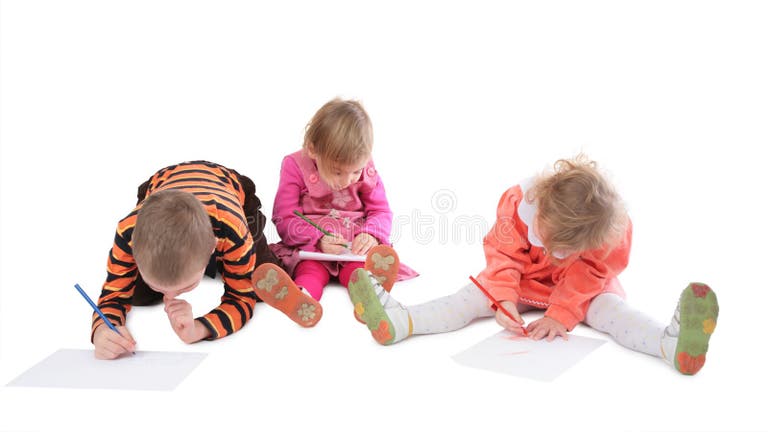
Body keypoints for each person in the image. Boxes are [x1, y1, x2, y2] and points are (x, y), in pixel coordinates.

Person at [350, 155, 719, 375]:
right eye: (552, 242)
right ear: (541, 207)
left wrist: (560, 314)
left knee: (613, 312)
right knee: (467, 299)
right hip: (523, 279)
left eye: (568, 249)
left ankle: (668, 345)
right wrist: (505, 301)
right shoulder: (519, 205)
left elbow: (590, 272)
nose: (557, 253)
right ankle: (402, 321)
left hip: (581, 289)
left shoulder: (606, 229)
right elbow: (504, 255)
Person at [92, 160, 321, 360]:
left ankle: (280, 256)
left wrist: (199, 329)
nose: (170, 297)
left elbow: (240, 300)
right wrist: (103, 329)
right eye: (160, 287)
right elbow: (113, 295)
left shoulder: (233, 229)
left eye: (186, 286)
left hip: (230, 193)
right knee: (137, 295)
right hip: (163, 182)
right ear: (133, 250)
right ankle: (222, 268)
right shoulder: (128, 231)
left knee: (256, 282)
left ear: (213, 248)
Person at [269, 98, 416, 305]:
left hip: (353, 248)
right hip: (314, 247)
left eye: (356, 171)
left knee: (358, 272)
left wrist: (370, 234)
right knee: (310, 270)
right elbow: (284, 216)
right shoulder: (295, 165)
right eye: (337, 172)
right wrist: (318, 239)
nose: (347, 181)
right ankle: (303, 299)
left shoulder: (366, 167)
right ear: (313, 150)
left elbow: (381, 211)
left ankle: (370, 301)